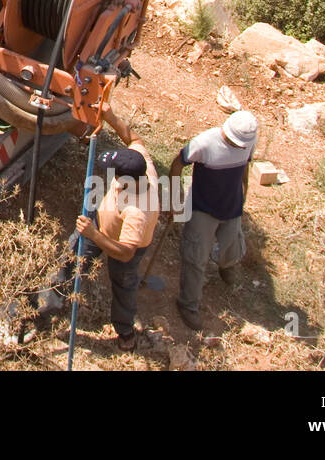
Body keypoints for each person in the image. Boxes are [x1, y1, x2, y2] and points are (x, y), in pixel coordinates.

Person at [36, 109, 159, 351]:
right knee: (69, 263)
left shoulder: (137, 210)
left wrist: (93, 234)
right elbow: (135, 139)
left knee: (123, 285)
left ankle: (124, 331)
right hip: (99, 224)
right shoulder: (140, 161)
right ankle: (43, 312)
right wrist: (111, 115)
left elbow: (125, 253)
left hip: (121, 246)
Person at [170, 110, 259, 331]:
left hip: (231, 206)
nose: (240, 147)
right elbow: (177, 164)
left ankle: (226, 266)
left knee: (232, 246)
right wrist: (174, 198)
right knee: (195, 258)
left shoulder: (249, 141)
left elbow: (245, 166)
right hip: (203, 208)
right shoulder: (204, 144)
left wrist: (244, 190)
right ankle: (188, 304)